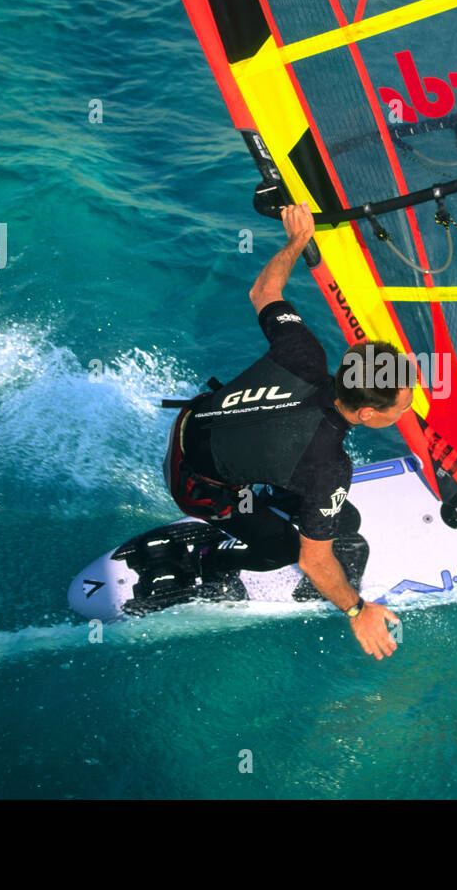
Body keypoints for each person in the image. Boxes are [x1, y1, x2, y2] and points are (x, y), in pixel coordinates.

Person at [163, 202, 406, 660]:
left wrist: (298, 241)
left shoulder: (303, 352)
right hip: (195, 480)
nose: (409, 407)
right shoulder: (327, 467)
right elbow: (313, 561)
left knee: (343, 522)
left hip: (196, 421)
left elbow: (263, 289)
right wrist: (358, 612)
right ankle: (212, 564)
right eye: (401, 405)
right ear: (368, 414)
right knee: (284, 547)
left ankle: (267, 497)